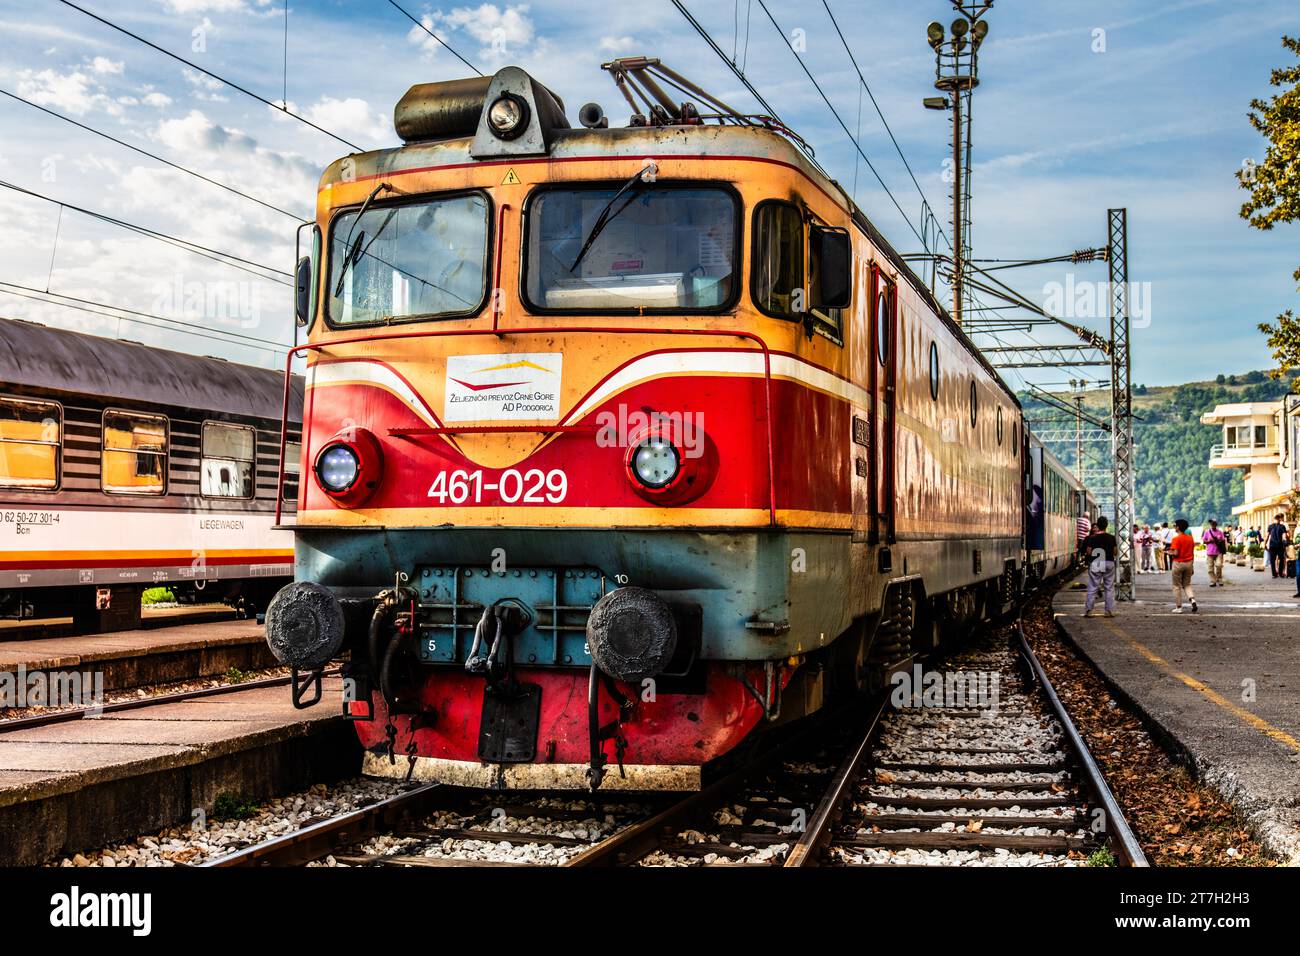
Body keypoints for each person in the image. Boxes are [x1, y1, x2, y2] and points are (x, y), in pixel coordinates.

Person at [1081, 516, 1118, 617]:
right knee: (1109, 588)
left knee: (1093, 587)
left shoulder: (1092, 538)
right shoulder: (1111, 537)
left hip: (1096, 562)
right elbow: (1115, 552)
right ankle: (1108, 611)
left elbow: (1088, 551)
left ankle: (1089, 611)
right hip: (1109, 563)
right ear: (1106, 525)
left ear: (1097, 525)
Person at [1167, 518, 1198, 613]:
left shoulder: (1176, 539)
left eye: (1175, 526)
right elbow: (1192, 552)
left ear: (1178, 527)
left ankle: (1179, 607)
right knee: (1187, 584)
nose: (1174, 527)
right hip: (1189, 563)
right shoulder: (1190, 538)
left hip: (1178, 563)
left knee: (1176, 586)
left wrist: (1168, 552)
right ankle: (1192, 600)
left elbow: (1176, 553)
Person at [1201, 519, 1228, 587]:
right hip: (1210, 552)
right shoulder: (1207, 532)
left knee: (1219, 565)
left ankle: (1219, 579)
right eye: (1212, 524)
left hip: (1218, 552)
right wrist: (1209, 541)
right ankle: (1213, 581)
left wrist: (1219, 540)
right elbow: (1204, 541)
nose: (1213, 525)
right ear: (1211, 525)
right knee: (1210, 568)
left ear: (1216, 524)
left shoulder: (1220, 532)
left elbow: (1223, 540)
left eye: (1214, 524)